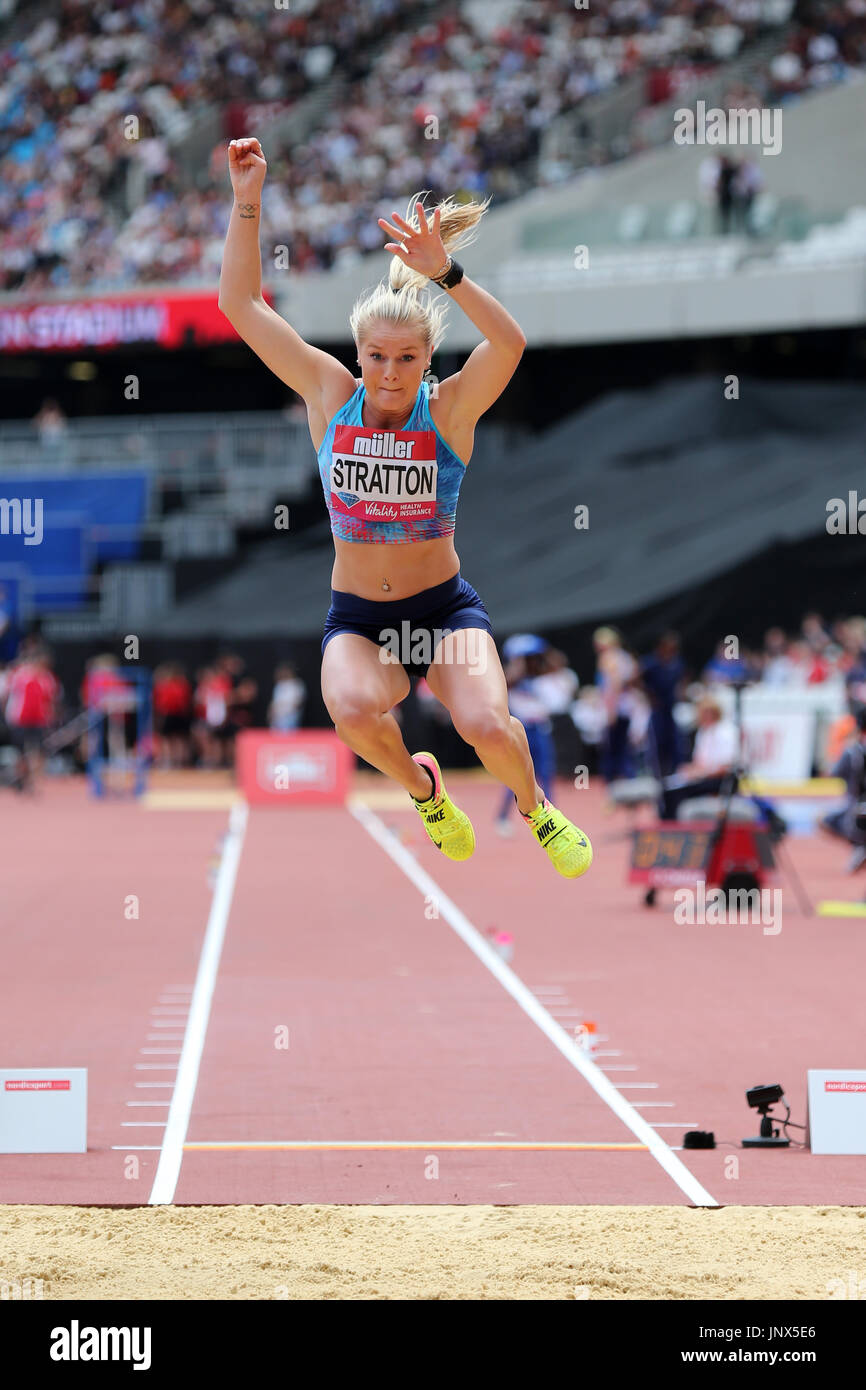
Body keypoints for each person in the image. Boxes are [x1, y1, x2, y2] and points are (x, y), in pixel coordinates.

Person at [218, 137, 592, 877]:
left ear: (428, 360)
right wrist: (248, 197)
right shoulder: (329, 395)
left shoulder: (449, 411)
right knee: (352, 712)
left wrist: (447, 274)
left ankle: (536, 809)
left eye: (407, 359)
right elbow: (239, 304)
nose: (391, 374)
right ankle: (426, 793)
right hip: (361, 618)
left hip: (444, 610)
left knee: (487, 722)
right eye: (378, 358)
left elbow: (511, 344)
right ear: (358, 356)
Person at [821, 706, 866, 871]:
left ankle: (858, 846)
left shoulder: (852, 752)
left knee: (822, 820)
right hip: (857, 813)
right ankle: (860, 847)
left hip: (855, 812)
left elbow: (833, 773)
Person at [640, 630, 685, 777]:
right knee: (656, 743)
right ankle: (656, 773)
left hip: (671, 709)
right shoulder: (650, 663)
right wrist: (650, 697)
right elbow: (637, 680)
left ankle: (674, 773)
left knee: (675, 743)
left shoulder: (677, 663)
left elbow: (681, 681)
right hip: (657, 710)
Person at [269, 663, 306, 731]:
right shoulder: (279, 685)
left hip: (291, 717)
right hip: (277, 718)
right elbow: (274, 703)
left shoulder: (297, 684)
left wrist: (287, 710)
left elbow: (298, 702)